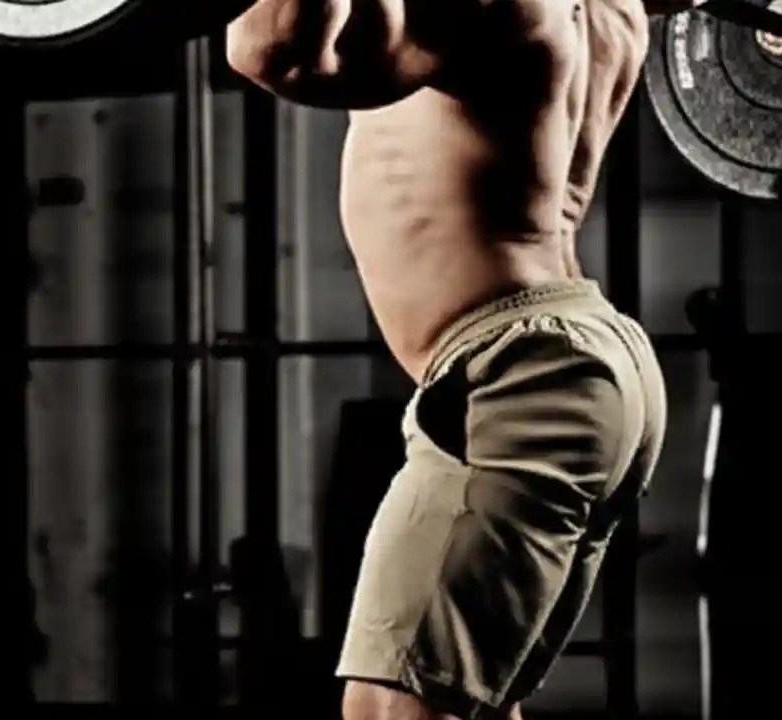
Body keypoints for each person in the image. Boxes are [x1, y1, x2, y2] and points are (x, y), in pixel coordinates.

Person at [225, 0, 684, 716]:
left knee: (394, 705)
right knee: (463, 697)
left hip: (521, 370)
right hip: (577, 359)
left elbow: (278, 52)